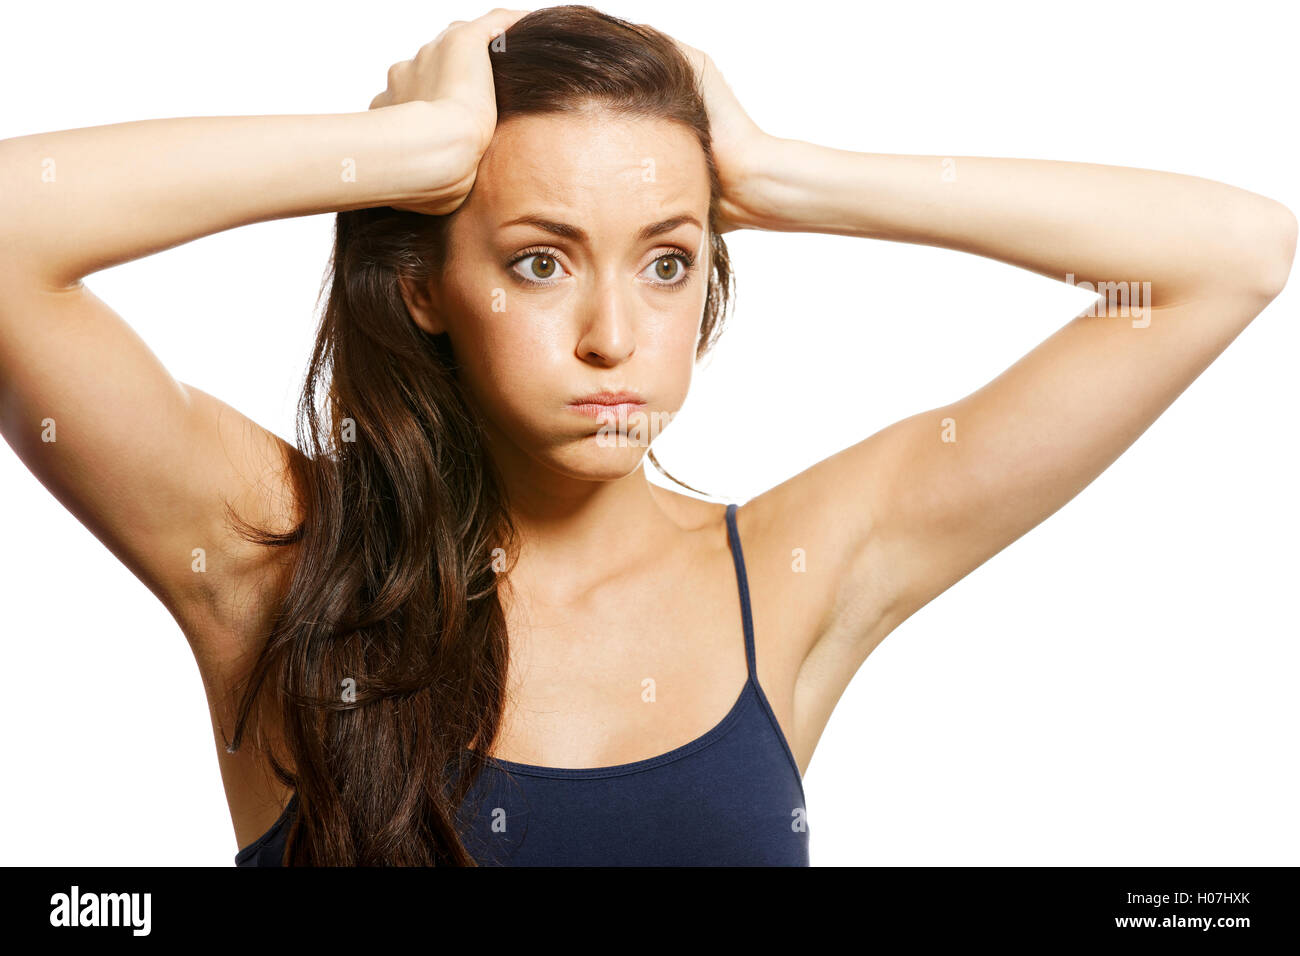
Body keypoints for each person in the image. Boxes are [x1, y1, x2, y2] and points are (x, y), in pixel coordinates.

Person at [0, 4, 1293, 865]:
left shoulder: (792, 572)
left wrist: (788, 176)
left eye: (667, 263)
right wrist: (402, 149)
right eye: (541, 261)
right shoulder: (273, 556)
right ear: (423, 288)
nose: (616, 335)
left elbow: (1231, 257)